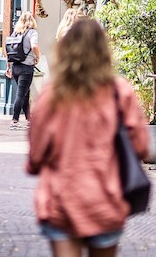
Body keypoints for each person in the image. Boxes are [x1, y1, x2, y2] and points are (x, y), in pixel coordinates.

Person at [27, 19, 148, 257]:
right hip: (105, 199)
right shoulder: (119, 92)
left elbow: (37, 154)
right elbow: (141, 147)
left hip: (61, 200)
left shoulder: (52, 94)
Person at [10, 11, 40, 129]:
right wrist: (37, 56)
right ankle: (14, 120)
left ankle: (29, 119)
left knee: (25, 93)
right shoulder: (32, 32)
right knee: (21, 94)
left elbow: (9, 50)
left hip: (16, 67)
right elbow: (34, 46)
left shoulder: (15, 33)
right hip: (26, 67)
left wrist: (8, 67)